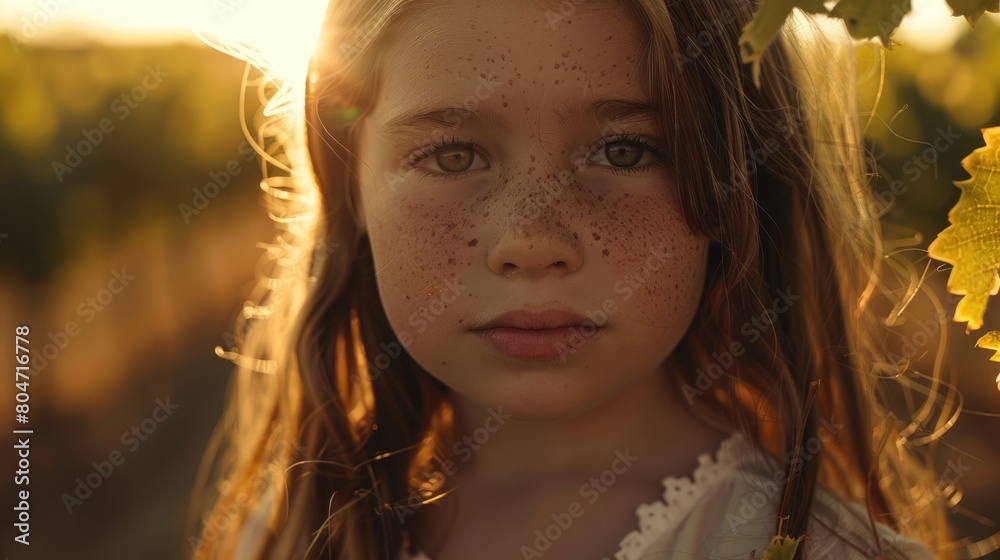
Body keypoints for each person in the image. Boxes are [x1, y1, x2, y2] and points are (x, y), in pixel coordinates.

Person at [186, 0, 958, 558]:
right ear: (350, 192)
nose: (532, 242)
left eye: (624, 151)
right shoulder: (291, 534)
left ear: (736, 188)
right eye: (453, 156)